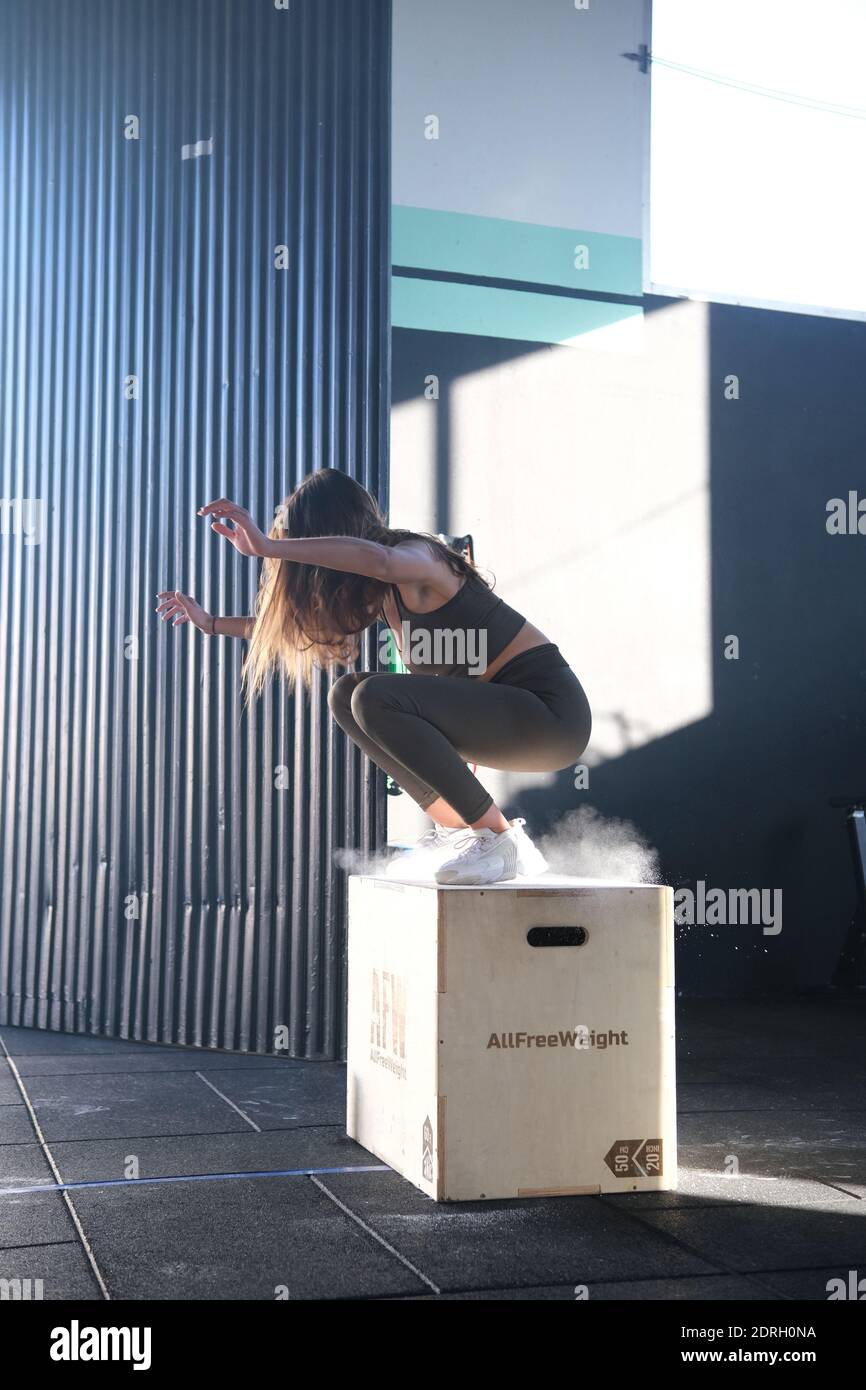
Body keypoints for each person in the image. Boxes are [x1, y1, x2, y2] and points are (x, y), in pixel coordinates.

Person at [157, 468, 591, 886]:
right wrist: (211, 623)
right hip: (507, 724)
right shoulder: (383, 596)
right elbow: (305, 630)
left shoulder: (421, 558)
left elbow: (379, 560)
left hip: (550, 716)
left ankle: (498, 839)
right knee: (345, 694)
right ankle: (459, 829)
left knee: (373, 696)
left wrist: (269, 547)